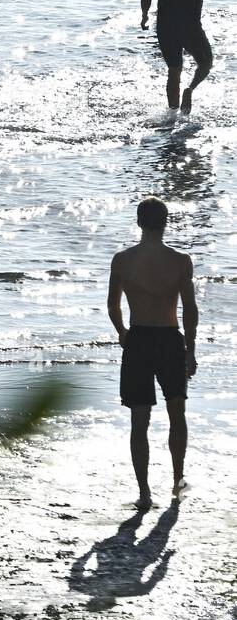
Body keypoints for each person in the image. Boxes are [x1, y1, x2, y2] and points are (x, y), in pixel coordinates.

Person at [107, 196, 199, 509]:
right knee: (177, 411)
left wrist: (122, 333)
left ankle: (144, 493)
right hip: (170, 339)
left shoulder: (122, 259)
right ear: (165, 222)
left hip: (139, 340)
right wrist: (191, 348)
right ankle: (177, 481)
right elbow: (190, 308)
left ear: (138, 222)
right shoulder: (180, 260)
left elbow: (112, 305)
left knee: (139, 420)